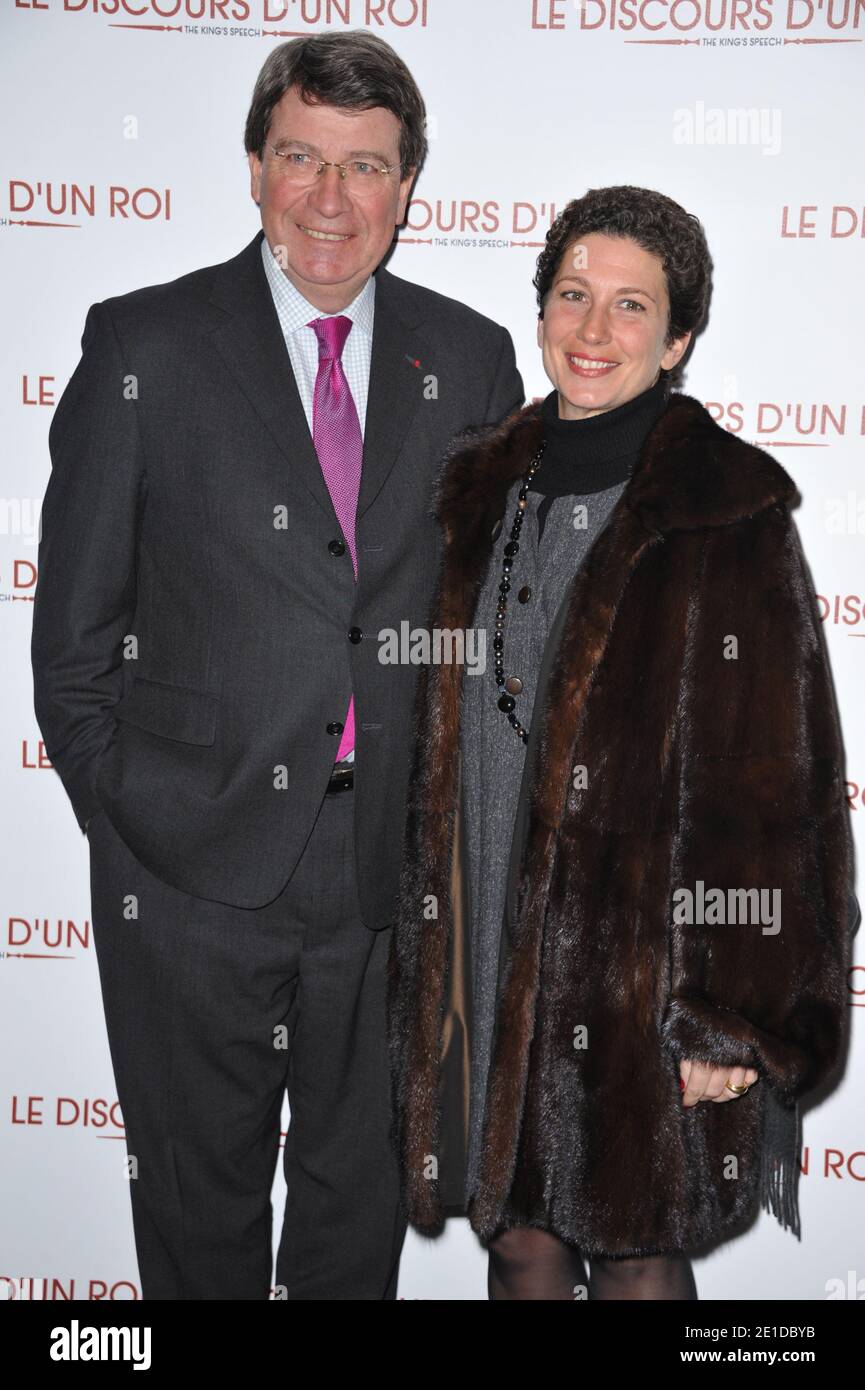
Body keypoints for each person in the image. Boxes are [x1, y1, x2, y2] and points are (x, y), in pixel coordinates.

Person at [30, 30, 523, 1299]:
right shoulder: (145, 348)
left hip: (384, 884)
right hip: (188, 879)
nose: (329, 198)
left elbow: (490, 623)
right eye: (301, 156)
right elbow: (74, 638)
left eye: (365, 168)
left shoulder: (468, 361)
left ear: (408, 188)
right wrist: (133, 820)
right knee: (198, 1225)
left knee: (356, 1227)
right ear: (254, 167)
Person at [387, 185, 859, 1300]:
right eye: (572, 296)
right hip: (487, 932)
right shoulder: (477, 484)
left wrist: (731, 1014)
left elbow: (774, 784)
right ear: (542, 308)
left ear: (679, 335)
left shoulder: (724, 505)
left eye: (631, 307)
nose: (593, 333)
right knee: (517, 1236)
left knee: (635, 1243)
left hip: (641, 967)